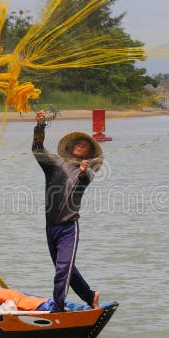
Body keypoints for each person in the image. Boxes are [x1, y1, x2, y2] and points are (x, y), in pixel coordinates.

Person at [33, 110, 102, 312]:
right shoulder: (54, 163)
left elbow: (84, 179)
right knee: (66, 269)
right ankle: (90, 296)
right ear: (71, 147)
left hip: (68, 227)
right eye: (79, 143)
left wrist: (82, 172)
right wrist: (40, 126)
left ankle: (58, 310)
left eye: (86, 145)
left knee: (62, 271)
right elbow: (36, 148)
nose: (82, 145)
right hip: (50, 226)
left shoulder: (87, 171)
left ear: (89, 154)